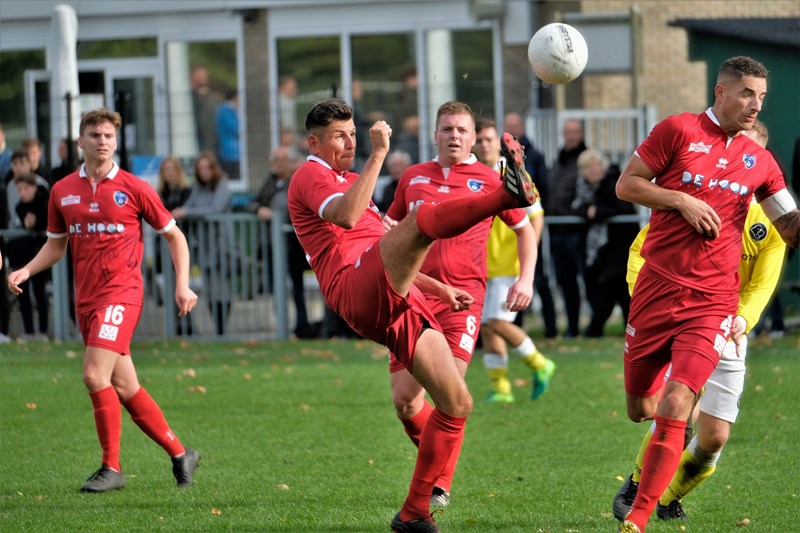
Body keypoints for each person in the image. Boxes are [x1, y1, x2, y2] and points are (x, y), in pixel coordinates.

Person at [287, 98, 536, 532]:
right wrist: (379, 154)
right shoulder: (310, 175)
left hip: (400, 295)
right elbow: (347, 218)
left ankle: (415, 512)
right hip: (353, 287)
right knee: (420, 221)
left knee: (456, 403)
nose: (350, 144)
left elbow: (388, 252)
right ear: (314, 143)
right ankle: (504, 195)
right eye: (339, 137)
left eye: (353, 135)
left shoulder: (352, 182)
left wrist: (439, 288)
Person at [614, 56, 800, 533]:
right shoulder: (678, 130)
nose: (756, 105)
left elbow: (789, 227)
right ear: (720, 91)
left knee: (679, 402)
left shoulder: (761, 162)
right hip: (657, 290)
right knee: (641, 408)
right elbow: (626, 185)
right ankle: (656, 444)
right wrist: (680, 199)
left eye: (762, 97)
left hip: (713, 303)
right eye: (747, 93)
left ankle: (637, 518)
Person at [7, 108, 200, 493]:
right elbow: (56, 245)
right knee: (125, 387)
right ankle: (181, 454)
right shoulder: (62, 190)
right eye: (95, 135)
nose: (103, 141)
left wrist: (182, 285)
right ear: (81, 141)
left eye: (109, 135)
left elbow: (174, 236)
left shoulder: (135, 187)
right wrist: (26, 270)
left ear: (116, 141)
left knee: (94, 375)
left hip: (122, 295)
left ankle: (111, 467)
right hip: (87, 300)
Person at [383, 109, 536, 509]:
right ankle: (435, 462)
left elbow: (525, 231)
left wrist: (525, 280)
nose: (454, 135)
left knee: (449, 395)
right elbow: (388, 226)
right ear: (434, 134)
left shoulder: (490, 180)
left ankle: (439, 481)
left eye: (462, 130)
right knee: (406, 402)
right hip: (412, 296)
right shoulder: (412, 177)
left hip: (462, 301)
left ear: (473, 138)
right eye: (447, 129)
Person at [473, 117, 555, 404]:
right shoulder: (470, 174)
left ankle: (539, 363)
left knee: (497, 321)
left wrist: (528, 256)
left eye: (489, 139)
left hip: (509, 263)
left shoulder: (513, 173)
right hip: (481, 263)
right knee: (487, 326)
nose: (484, 145)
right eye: (479, 140)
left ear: (498, 142)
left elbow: (536, 216)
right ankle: (501, 388)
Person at [571, 149, 639, 337]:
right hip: (606, 248)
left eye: (596, 166)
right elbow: (576, 207)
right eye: (588, 167)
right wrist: (589, 211)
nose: (593, 170)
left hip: (621, 245)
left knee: (616, 290)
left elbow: (624, 208)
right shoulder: (585, 190)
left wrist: (598, 211)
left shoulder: (612, 184)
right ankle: (617, 329)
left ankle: (596, 330)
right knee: (614, 291)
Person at [247, 146, 313, 338]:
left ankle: (302, 326)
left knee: (297, 286)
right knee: (276, 286)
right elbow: (252, 203)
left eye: (283, 160)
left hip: (294, 244)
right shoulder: (271, 182)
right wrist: (259, 209)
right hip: (272, 244)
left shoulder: (298, 180)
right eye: (276, 161)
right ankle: (281, 327)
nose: (279, 164)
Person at [504, 112, 557, 337]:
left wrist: (533, 243)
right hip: (508, 238)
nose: (513, 131)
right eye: (509, 127)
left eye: (516, 126)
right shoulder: (500, 161)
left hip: (529, 231)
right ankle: (515, 327)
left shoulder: (534, 157)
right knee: (513, 283)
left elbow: (540, 194)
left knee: (539, 280)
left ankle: (551, 329)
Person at [172, 152, 232, 336]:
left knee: (221, 288)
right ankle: (219, 331)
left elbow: (215, 209)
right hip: (205, 245)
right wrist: (182, 211)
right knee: (210, 289)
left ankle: (222, 330)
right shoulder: (197, 188)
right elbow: (188, 206)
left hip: (221, 244)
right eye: (201, 168)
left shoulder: (222, 185)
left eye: (207, 167)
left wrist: (187, 213)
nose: (204, 171)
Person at [546, 118, 587, 338]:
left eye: (575, 131)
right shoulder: (558, 160)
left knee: (588, 281)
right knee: (565, 282)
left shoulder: (586, 159)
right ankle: (572, 327)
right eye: (568, 131)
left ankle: (593, 327)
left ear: (581, 133)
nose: (571, 135)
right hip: (557, 231)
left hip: (578, 231)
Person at [7, 173, 50, 340]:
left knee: (40, 291)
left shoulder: (45, 200)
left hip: (41, 255)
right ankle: (29, 332)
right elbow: (28, 226)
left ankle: (43, 332)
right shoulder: (20, 207)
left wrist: (35, 223)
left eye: (25, 188)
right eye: (19, 189)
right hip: (24, 256)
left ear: (34, 187)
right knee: (22, 292)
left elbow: (45, 225)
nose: (22, 193)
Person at [157, 156, 193, 335]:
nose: (170, 172)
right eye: (167, 169)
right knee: (171, 287)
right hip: (164, 247)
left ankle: (187, 326)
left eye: (173, 169)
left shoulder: (186, 191)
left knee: (183, 285)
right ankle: (176, 327)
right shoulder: (159, 193)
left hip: (183, 244)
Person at [190, 65, 220, 154]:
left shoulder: (211, 96)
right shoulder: (189, 95)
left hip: (209, 137)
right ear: (194, 76)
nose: (207, 77)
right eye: (203, 75)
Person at [216, 90, 240, 181]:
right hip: (231, 153)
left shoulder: (226, 110)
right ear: (235, 97)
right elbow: (236, 129)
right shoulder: (226, 111)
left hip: (231, 152)